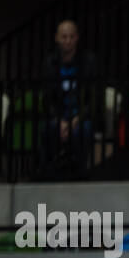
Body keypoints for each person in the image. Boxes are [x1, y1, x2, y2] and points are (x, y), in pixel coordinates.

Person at [38, 19, 100, 178]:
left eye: (71, 37)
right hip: (58, 116)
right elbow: (47, 99)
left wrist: (74, 121)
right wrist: (60, 121)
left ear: (77, 38)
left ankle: (79, 173)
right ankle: (49, 173)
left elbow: (92, 99)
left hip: (80, 116)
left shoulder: (88, 61)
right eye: (64, 37)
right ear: (57, 38)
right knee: (47, 129)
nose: (68, 41)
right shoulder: (50, 63)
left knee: (82, 131)